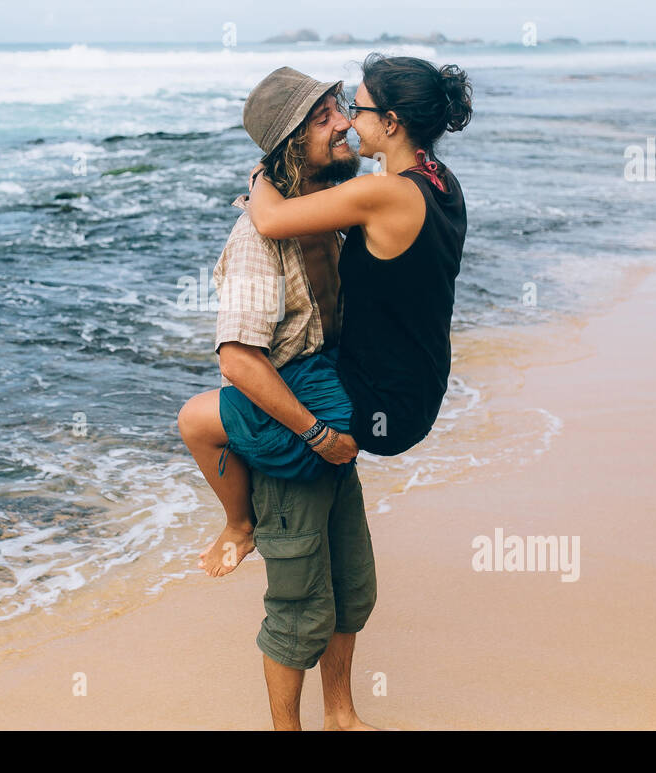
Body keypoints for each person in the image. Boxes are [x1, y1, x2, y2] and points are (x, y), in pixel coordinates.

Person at [180, 54, 470, 578]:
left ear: (391, 122)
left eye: (354, 109)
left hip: (373, 401)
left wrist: (261, 173)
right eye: (332, 113)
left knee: (194, 419)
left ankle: (238, 523)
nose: (347, 121)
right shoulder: (440, 183)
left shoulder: (378, 194)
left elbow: (268, 218)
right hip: (418, 391)